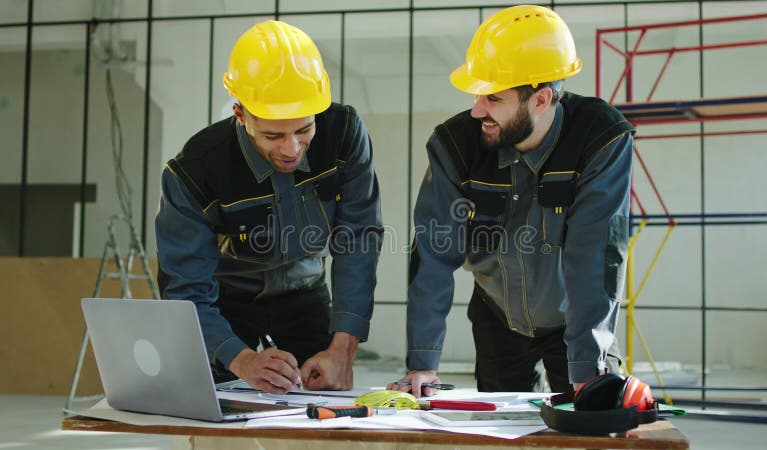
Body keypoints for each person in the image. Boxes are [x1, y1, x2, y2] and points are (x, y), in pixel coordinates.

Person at [389, 5, 633, 398]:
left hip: (578, 321)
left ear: (541, 99)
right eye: (477, 94)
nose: (477, 109)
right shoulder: (455, 145)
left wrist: (589, 366)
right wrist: (422, 362)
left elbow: (595, 254)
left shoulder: (599, 139)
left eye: (493, 98)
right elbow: (433, 253)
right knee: (502, 427)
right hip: (497, 319)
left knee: (593, 416)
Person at [155, 20, 383, 394]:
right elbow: (186, 291)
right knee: (215, 408)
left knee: (323, 409)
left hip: (306, 295)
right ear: (240, 114)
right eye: (273, 135)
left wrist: (343, 349)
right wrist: (241, 359)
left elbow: (359, 240)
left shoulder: (344, 133)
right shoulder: (193, 172)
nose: (291, 149)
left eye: (304, 130)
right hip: (224, 305)